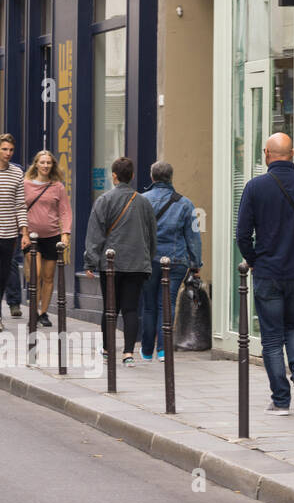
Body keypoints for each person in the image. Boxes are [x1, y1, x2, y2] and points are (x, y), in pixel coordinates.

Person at [235, 133, 294, 415]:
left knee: (272, 338)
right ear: (292, 154)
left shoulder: (255, 188)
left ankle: (280, 400)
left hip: (268, 272)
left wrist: (253, 260)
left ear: (267, 154)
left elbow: (242, 235)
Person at [84, 157, 156, 368]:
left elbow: (94, 234)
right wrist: (147, 260)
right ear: (132, 176)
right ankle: (128, 353)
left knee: (110, 308)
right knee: (131, 309)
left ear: (113, 176)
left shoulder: (104, 200)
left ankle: (107, 350)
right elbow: (152, 235)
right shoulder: (143, 202)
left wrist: (90, 261)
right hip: (136, 264)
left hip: (111, 264)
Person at [138, 160, 202, 361]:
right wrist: (195, 265)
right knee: (167, 303)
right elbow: (193, 238)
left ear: (152, 177)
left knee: (149, 306)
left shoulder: (141, 201)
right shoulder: (185, 204)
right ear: (171, 177)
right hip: (175, 261)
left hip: (148, 261)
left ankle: (147, 351)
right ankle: (163, 350)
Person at [23, 150, 72, 327]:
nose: (45, 166)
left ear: (52, 165)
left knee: (49, 277)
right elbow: (19, 209)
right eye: (42, 162)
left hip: (52, 236)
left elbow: (65, 211)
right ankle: (33, 312)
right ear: (36, 164)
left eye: (48, 163)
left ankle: (43, 312)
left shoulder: (57, 186)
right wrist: (23, 233)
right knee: (36, 275)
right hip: (31, 238)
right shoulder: (25, 184)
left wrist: (65, 234)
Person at [0, 134, 30, 330]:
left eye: (11, 150)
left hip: (9, 234)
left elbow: (20, 205)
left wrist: (25, 233)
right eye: (4, 149)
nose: (8, 153)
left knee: (3, 276)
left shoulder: (17, 173)